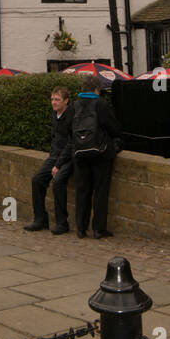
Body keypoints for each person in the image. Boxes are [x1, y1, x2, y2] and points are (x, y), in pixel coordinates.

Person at [72, 73, 121, 240]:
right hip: (100, 153)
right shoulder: (100, 104)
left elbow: (68, 130)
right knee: (100, 191)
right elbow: (113, 128)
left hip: (80, 154)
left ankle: (81, 228)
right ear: (96, 89)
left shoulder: (75, 105)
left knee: (82, 191)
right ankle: (98, 229)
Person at [22, 86, 76, 235]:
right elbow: (55, 139)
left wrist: (58, 164)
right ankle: (40, 220)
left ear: (66, 101)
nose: (54, 102)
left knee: (58, 181)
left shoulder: (71, 116)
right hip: (55, 156)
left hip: (69, 157)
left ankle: (62, 223)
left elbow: (71, 143)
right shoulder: (55, 115)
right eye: (52, 99)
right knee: (37, 180)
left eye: (57, 99)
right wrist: (53, 158)